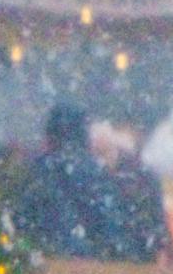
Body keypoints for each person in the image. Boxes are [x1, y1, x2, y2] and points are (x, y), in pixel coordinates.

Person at [14, 101, 139, 256]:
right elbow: (111, 225)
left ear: (51, 133)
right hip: (93, 269)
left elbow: (22, 220)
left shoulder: (37, 171)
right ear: (83, 133)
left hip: (43, 263)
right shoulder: (96, 173)